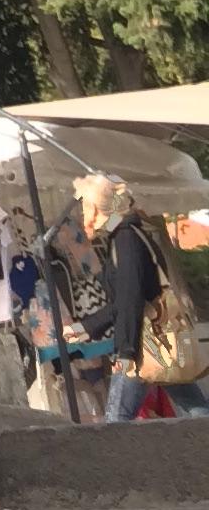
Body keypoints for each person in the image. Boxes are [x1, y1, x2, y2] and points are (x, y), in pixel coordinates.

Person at [79, 173, 209, 422]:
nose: (83, 216)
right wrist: (85, 326)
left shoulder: (125, 239)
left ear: (98, 209)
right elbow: (127, 298)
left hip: (141, 344)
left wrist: (125, 353)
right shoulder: (128, 233)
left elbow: (129, 300)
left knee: (115, 425)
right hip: (155, 342)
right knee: (197, 409)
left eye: (85, 207)